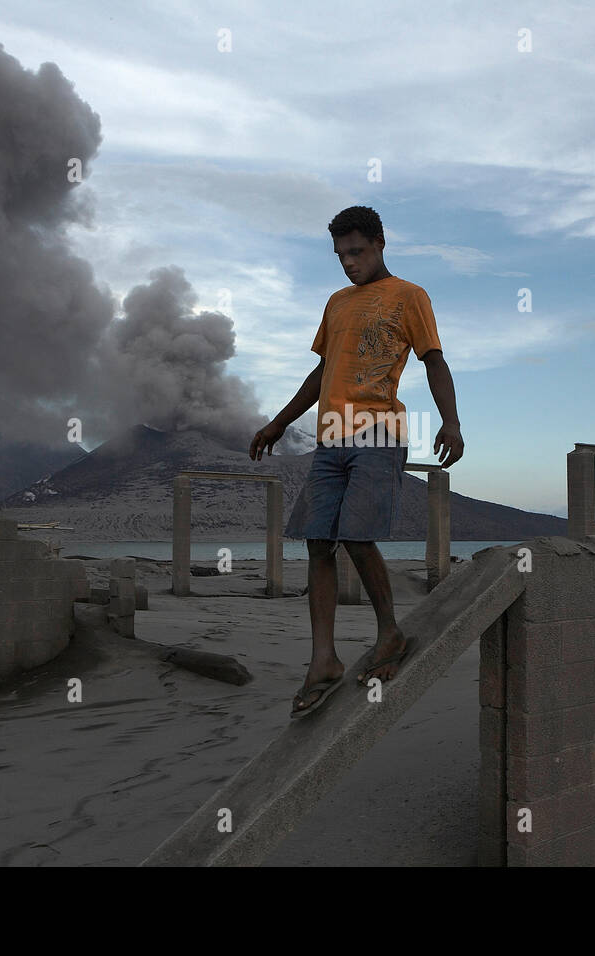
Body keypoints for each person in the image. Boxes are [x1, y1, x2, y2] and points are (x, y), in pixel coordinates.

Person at [249, 205, 464, 717]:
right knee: (319, 540)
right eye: (341, 256)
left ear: (380, 244)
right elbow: (322, 371)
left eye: (357, 253)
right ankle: (323, 658)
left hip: (379, 430)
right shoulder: (337, 303)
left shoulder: (409, 296)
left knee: (356, 534)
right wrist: (279, 421)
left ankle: (389, 633)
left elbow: (434, 360)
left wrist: (451, 422)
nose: (349, 264)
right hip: (330, 436)